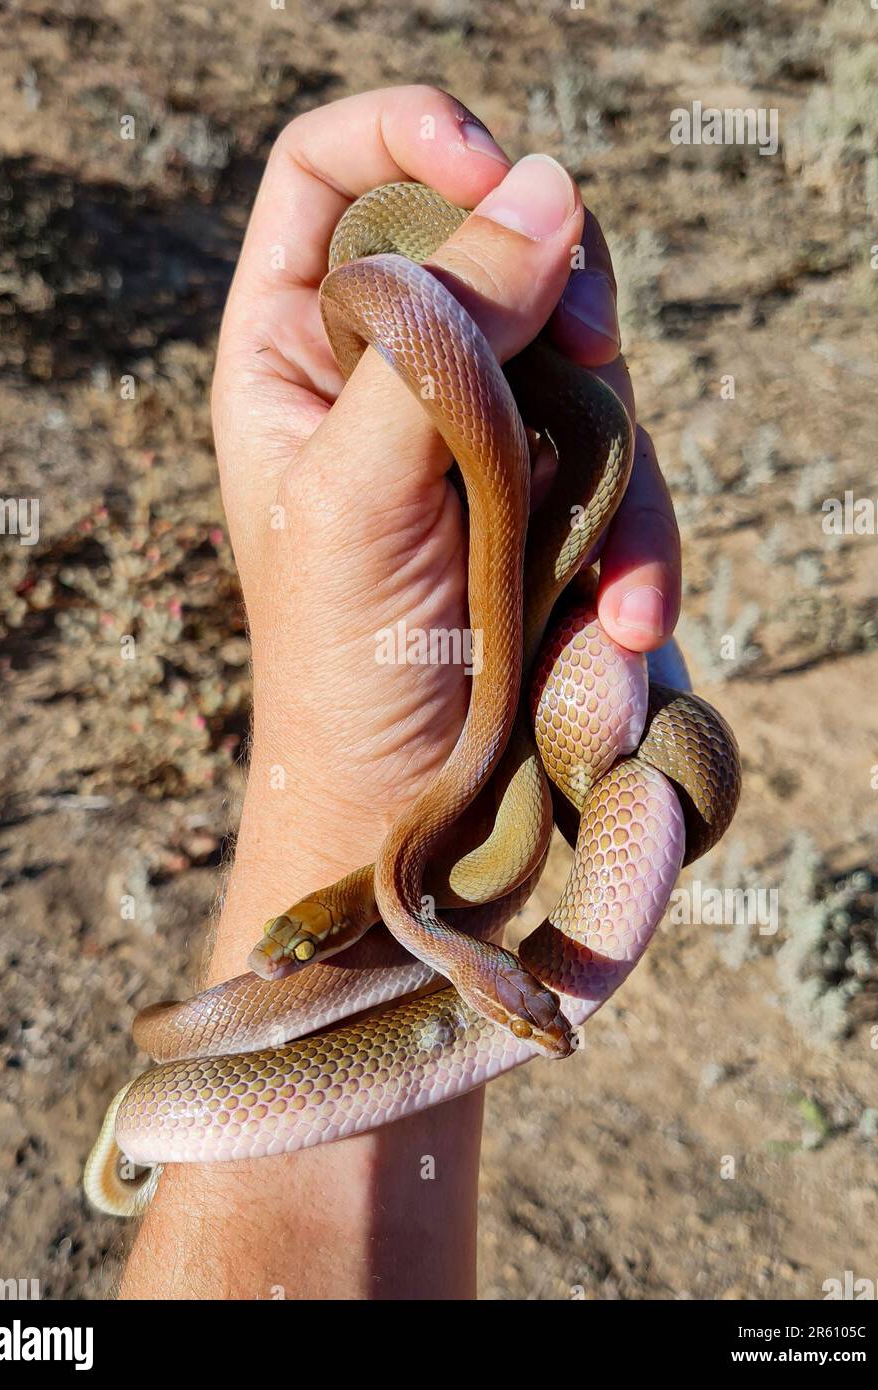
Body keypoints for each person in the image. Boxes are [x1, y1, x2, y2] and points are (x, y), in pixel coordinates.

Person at [119, 85, 681, 1300]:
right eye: (525, 1013)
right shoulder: (459, 882)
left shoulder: (461, 879)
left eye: (521, 1018)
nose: (544, 1031)